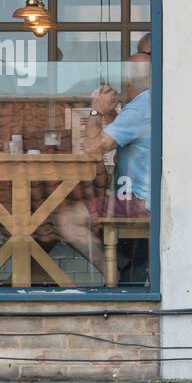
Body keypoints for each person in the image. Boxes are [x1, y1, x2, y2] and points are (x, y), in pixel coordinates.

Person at [53, 50, 152, 279]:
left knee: (66, 220)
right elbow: (123, 134)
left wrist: (96, 110)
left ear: (127, 81)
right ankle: (122, 268)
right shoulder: (149, 103)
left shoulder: (139, 108)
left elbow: (92, 149)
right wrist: (110, 114)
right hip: (144, 198)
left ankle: (111, 272)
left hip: (138, 201)